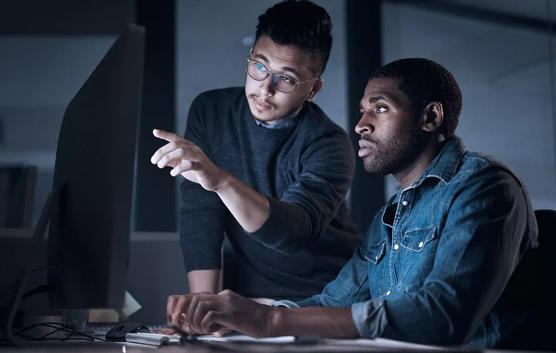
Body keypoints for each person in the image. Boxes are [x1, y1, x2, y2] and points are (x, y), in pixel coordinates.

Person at [165, 58, 538, 348]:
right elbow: (331, 302)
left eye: (379, 108)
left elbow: (444, 317)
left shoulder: (485, 187)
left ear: (430, 117)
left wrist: (271, 323)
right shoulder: (390, 217)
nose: (360, 124)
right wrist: (241, 314)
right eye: (362, 110)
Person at [150, 0, 359, 303]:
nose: (264, 88)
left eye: (285, 78)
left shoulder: (330, 144)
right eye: (259, 66)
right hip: (248, 294)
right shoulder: (211, 112)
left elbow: (292, 233)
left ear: (313, 90)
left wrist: (220, 180)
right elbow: (201, 214)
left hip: (329, 293)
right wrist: (203, 304)